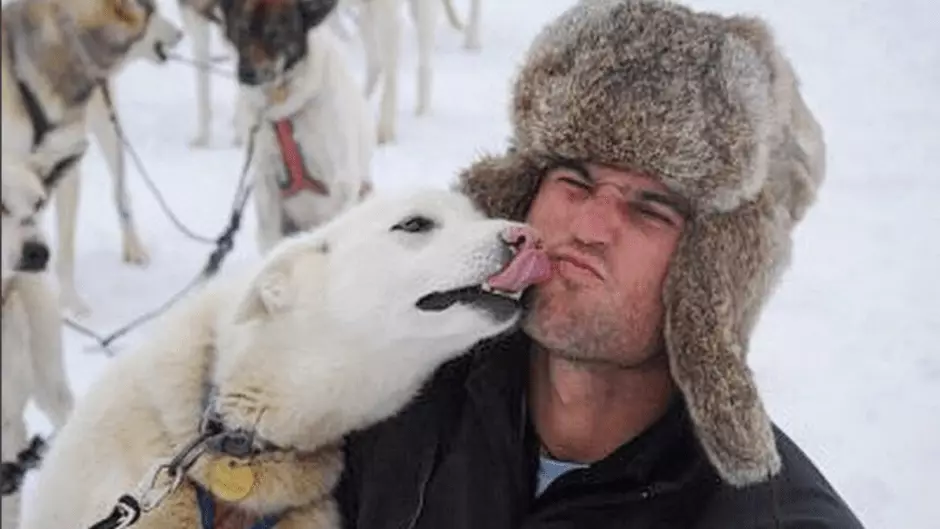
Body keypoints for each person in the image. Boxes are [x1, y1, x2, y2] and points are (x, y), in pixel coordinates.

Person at [335, 0, 864, 527]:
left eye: (649, 210)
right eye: (575, 182)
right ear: (520, 198)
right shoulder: (391, 403)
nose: (588, 228)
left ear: (713, 273)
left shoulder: (772, 519)